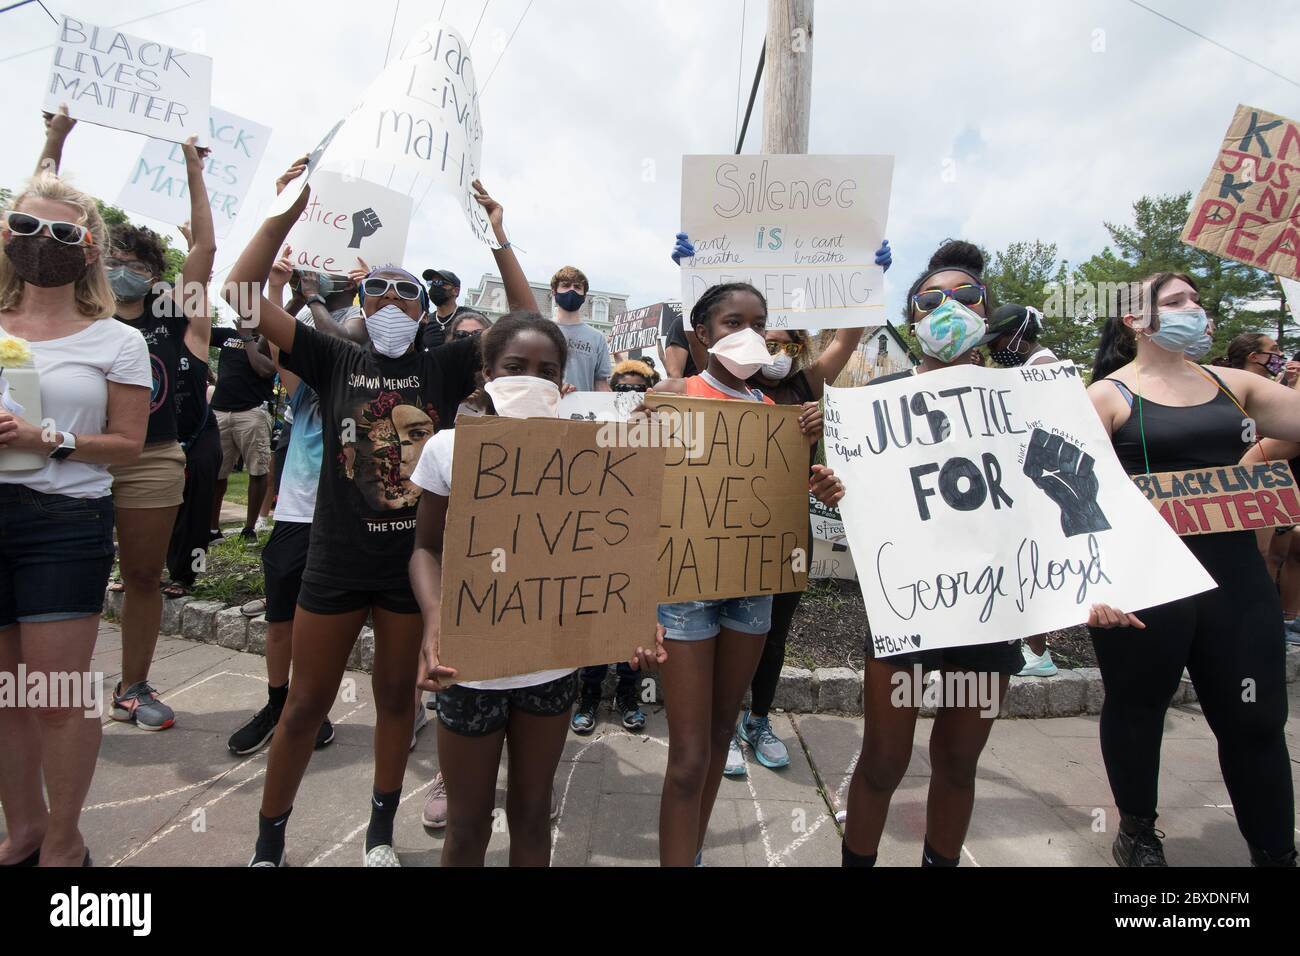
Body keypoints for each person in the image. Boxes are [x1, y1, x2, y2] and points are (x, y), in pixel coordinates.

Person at [225, 161, 534, 867]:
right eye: (377, 288)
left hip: (410, 569)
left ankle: (377, 834)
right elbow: (240, 295)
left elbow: (525, 323)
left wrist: (497, 238)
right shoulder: (331, 357)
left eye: (408, 291)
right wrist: (285, 212)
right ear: (358, 299)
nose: (392, 299)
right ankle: (269, 843)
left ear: (427, 309)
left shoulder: (448, 366)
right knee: (305, 706)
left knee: (398, 702)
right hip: (334, 560)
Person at [837, 241, 1138, 869]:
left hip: (991, 614)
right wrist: (835, 487)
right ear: (913, 316)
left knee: (956, 762)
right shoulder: (874, 405)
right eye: (931, 300)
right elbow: (866, 500)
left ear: (988, 311)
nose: (948, 308)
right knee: (883, 763)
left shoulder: (1028, 398)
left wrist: (1092, 584)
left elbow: (1074, 492)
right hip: (909, 615)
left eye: (965, 297)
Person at [408, 313, 665, 866]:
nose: (531, 378)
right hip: (467, 666)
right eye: (515, 367)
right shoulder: (447, 448)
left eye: (546, 370)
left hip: (551, 668)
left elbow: (614, 549)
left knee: (532, 815)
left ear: (563, 382)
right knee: (468, 824)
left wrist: (637, 614)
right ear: (488, 373)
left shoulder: (596, 452)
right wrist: (434, 617)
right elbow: (425, 548)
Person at [1088, 272, 1299, 867]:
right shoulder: (1107, 397)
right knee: (1136, 708)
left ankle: (1275, 850)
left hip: (1235, 582)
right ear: (1137, 319)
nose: (1196, 311)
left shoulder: (1237, 387)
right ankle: (1136, 831)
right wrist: (1094, 585)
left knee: (1256, 721)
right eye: (1177, 302)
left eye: (1198, 301)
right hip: (1143, 586)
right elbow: (1073, 499)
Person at [669, 234, 892, 777]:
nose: (758, 341)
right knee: (698, 715)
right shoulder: (689, 389)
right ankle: (707, 740)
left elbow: (846, 340)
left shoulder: (797, 392)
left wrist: (868, 282)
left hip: (771, 552)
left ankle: (755, 720)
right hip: (697, 560)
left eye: (776, 336)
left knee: (770, 639)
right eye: (741, 327)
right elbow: (700, 371)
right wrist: (692, 275)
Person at [39, 110, 219, 730]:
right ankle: (51, 690)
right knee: (65, 571)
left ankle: (134, 686)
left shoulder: (177, 320)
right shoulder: (76, 315)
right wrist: (55, 141)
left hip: (151, 458)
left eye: (138, 263)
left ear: (155, 274)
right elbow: (36, 230)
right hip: (73, 451)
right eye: (113, 257)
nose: (124, 269)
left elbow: (204, 248)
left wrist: (194, 167)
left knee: (142, 573)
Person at [648, 281, 828, 866]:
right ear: (702, 333)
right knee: (690, 756)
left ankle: (692, 854)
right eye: (732, 322)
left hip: (751, 594)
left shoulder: (778, 416)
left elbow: (785, 498)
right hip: (685, 596)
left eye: (759, 322)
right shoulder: (673, 395)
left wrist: (817, 474)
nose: (749, 333)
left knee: (722, 730)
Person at [0, 173, 150, 866]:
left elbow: (128, 446)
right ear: (7, 235)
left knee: (56, 693)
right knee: (6, 696)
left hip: (63, 521)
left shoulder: (116, 340)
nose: (44, 245)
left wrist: (47, 439)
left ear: (89, 250)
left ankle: (64, 840)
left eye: (64, 234)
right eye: (28, 228)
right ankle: (24, 829)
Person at [225, 257, 361, 755]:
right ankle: (277, 701)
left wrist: (347, 294)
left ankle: (312, 705)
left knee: (324, 622)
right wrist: (284, 291)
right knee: (281, 617)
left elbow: (351, 339)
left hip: (347, 522)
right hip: (299, 515)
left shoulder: (369, 380)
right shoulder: (302, 388)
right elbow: (276, 341)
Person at [568, 358, 661, 737]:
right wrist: (562, 407)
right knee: (593, 619)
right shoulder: (589, 420)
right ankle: (588, 696)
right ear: (609, 390)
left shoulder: (662, 427)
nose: (629, 395)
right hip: (594, 540)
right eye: (621, 388)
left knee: (632, 621)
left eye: (639, 388)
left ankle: (627, 696)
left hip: (638, 543)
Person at [982, 302, 1066, 677]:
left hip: (1038, 488)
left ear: (1018, 335)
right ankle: (1032, 648)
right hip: (1031, 484)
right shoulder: (1033, 367)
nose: (991, 349)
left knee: (1026, 571)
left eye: (996, 340)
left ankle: (1037, 652)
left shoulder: (1044, 369)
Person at [209, 317, 277, 542]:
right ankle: (212, 529)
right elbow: (195, 332)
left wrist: (247, 336)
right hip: (220, 411)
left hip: (251, 411)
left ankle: (249, 529)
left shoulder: (268, 339)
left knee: (257, 471)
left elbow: (265, 370)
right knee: (217, 473)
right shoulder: (226, 334)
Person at [550, 266, 611, 392]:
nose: (572, 290)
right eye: (566, 285)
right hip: (546, 408)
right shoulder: (542, 331)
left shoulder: (597, 338)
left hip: (583, 409)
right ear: (554, 292)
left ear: (584, 296)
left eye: (577, 287)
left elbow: (601, 383)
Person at [417, 268, 470, 350]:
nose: (434, 287)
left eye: (439, 282)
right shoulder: (426, 321)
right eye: (431, 283)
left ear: (455, 291)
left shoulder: (471, 317)